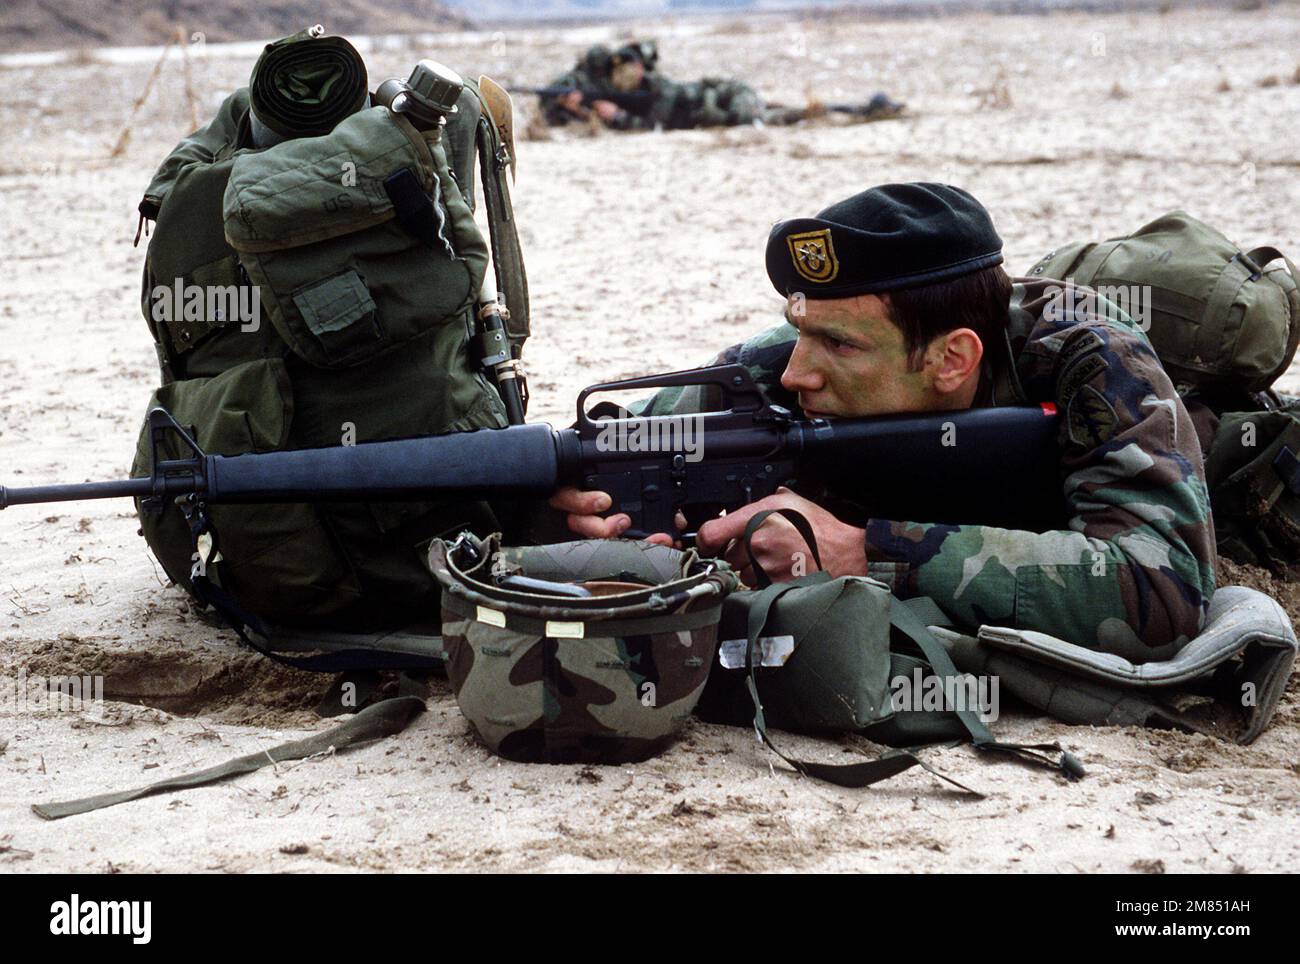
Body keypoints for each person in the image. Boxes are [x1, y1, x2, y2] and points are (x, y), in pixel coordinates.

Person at [549, 183, 1217, 663]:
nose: (795, 375)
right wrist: (580, 501)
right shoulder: (772, 367)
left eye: (840, 346)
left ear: (952, 359)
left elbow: (1163, 595)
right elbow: (613, 443)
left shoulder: (1088, 359)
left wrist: (866, 551)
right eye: (800, 332)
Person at [540, 41, 904, 131]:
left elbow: (659, 124)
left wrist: (617, 117)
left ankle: (863, 110)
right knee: (783, 111)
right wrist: (581, 109)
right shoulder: (649, 89)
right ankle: (860, 108)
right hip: (727, 101)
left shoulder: (659, 90)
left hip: (731, 102)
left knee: (777, 117)